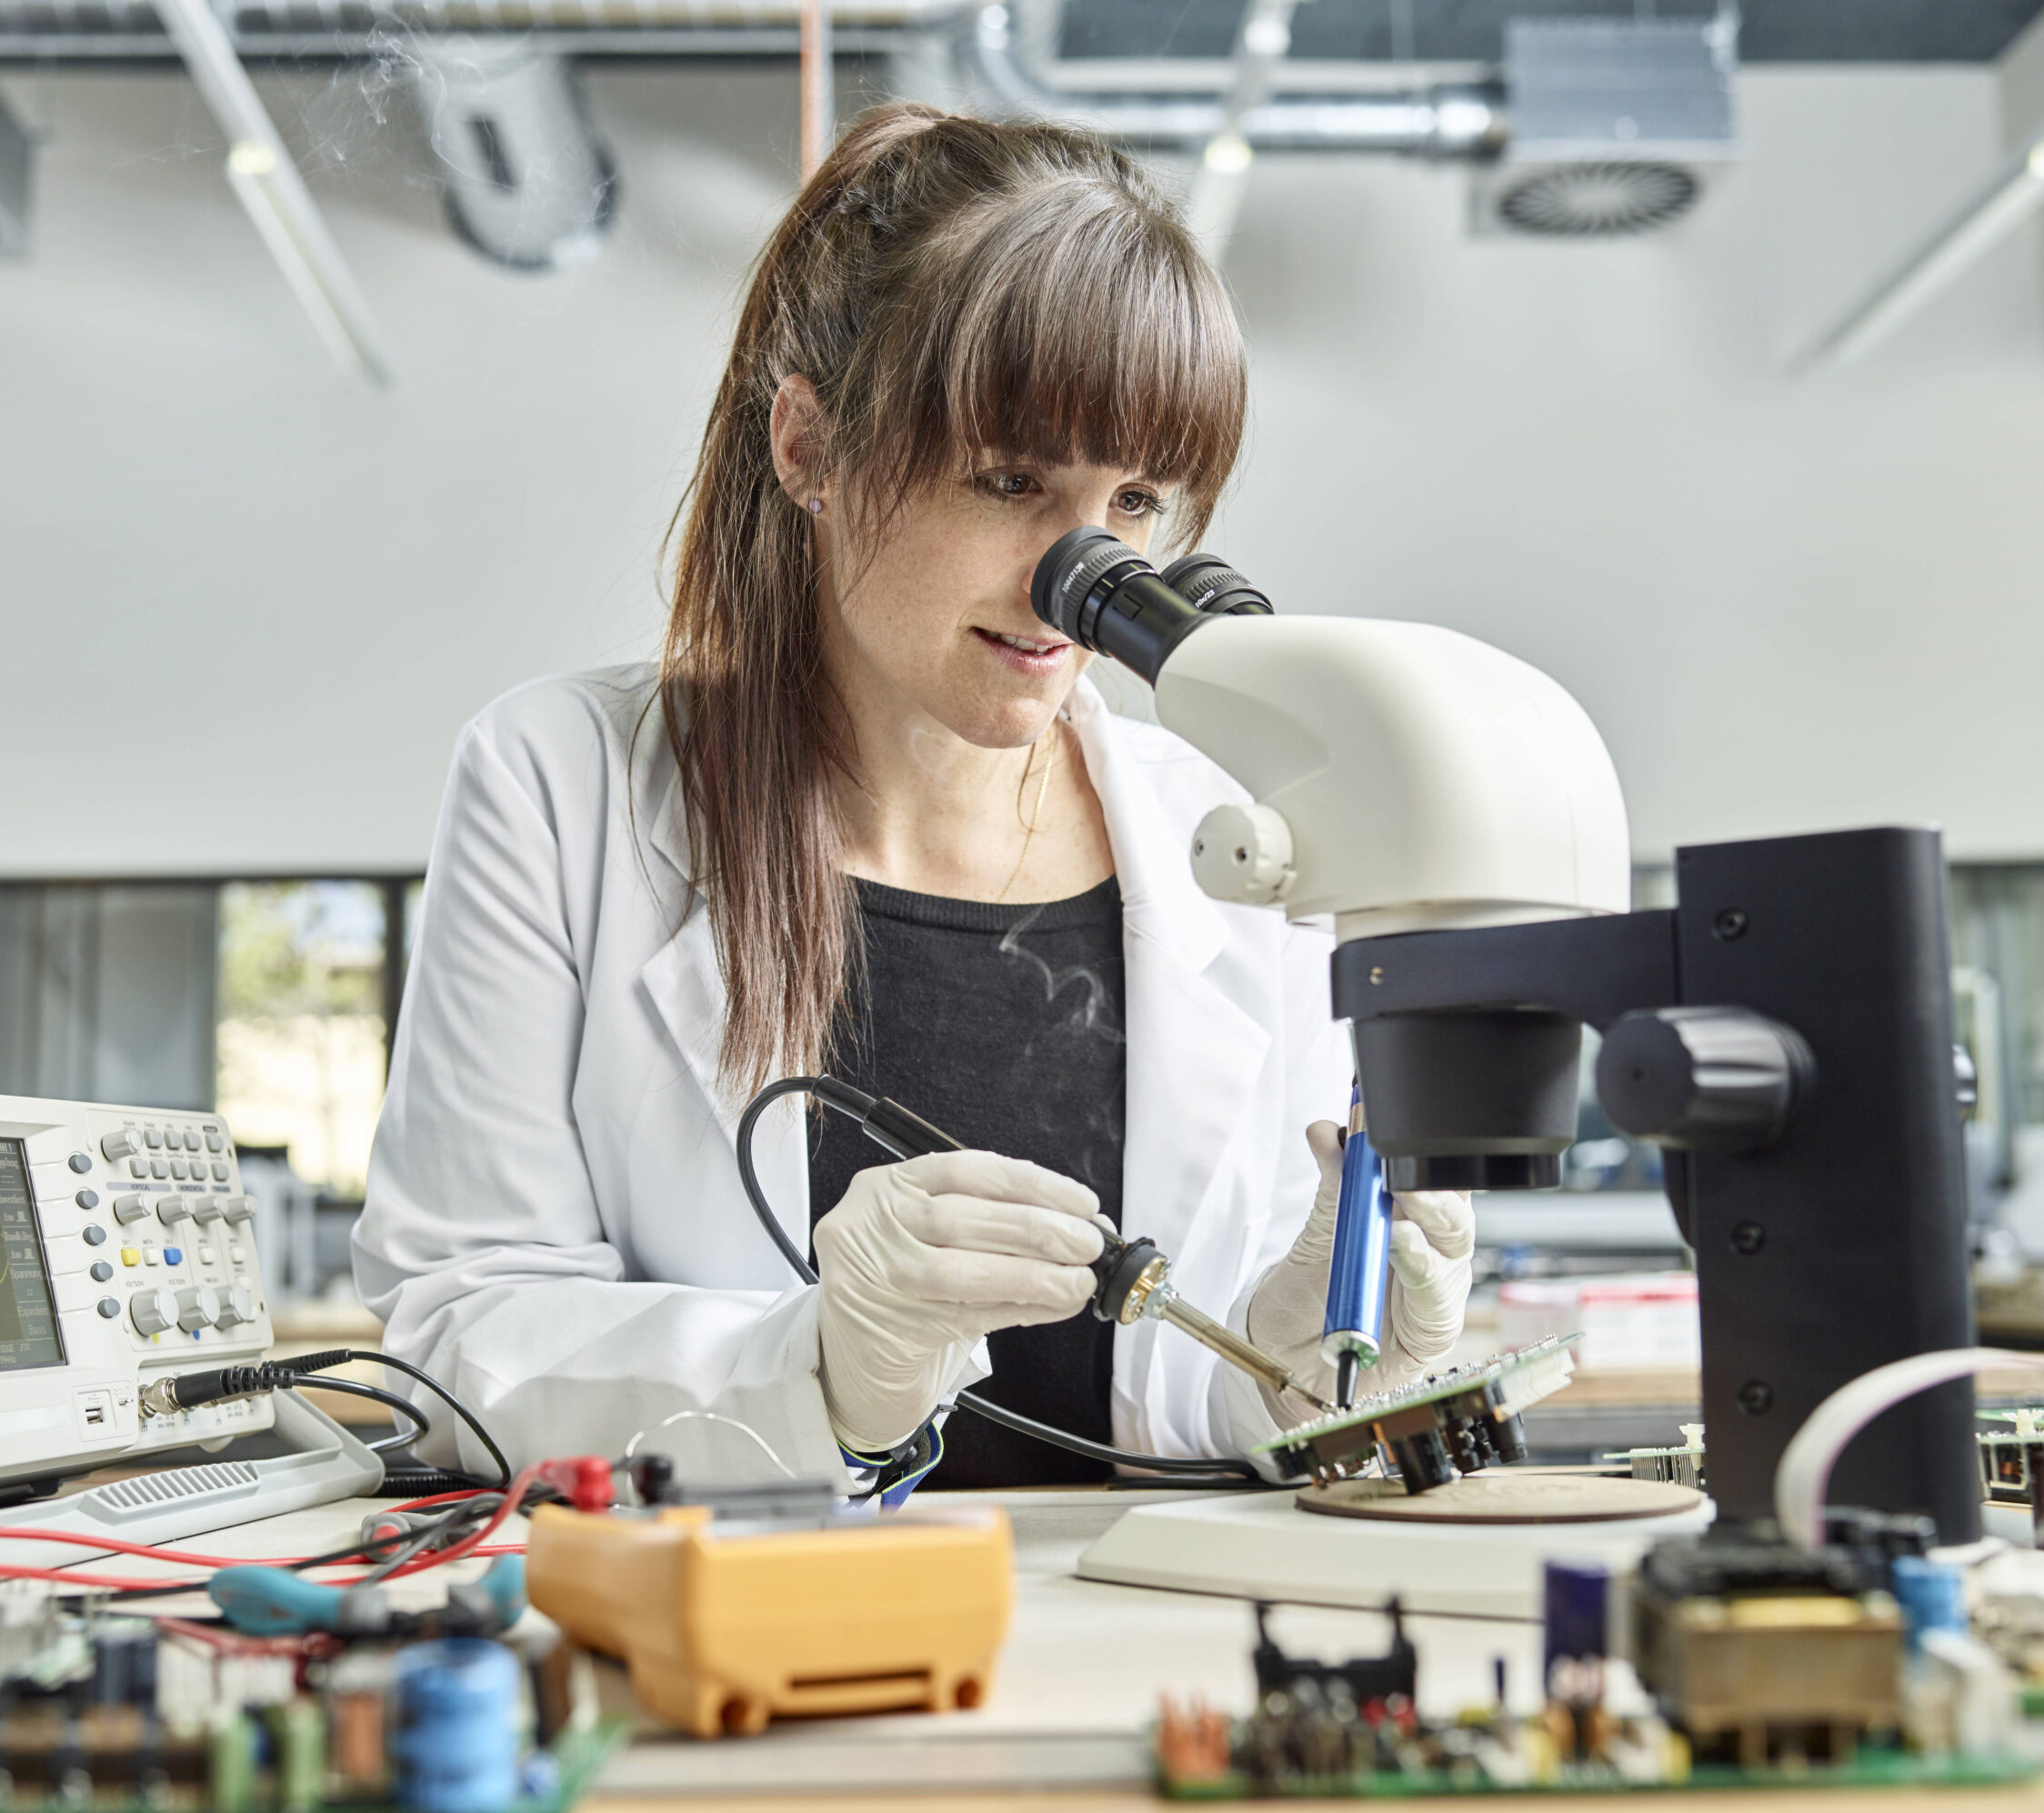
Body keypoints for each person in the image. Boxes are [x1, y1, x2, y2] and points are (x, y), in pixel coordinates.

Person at [352, 104, 1475, 1495]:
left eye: (1133, 502)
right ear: (807, 448)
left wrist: (1288, 1362)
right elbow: (456, 1334)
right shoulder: (560, 782)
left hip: (1130, 1647)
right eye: (1010, 479)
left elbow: (1197, 1391)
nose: (1084, 580)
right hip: (736, 1657)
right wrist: (820, 1367)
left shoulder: (1235, 838)